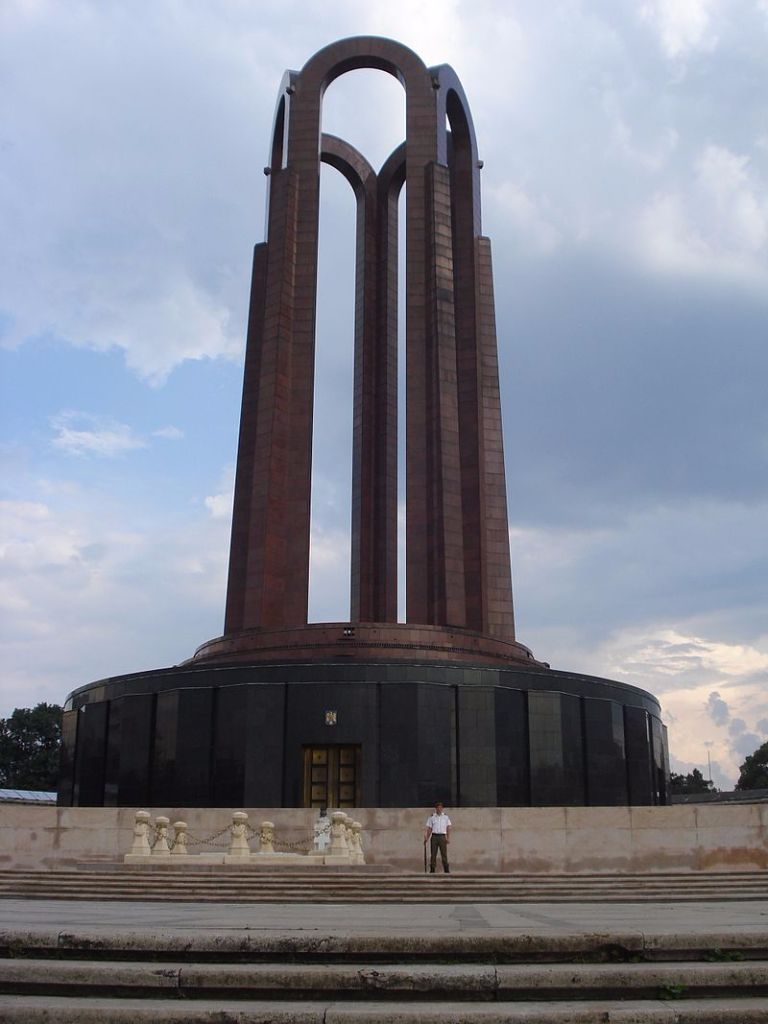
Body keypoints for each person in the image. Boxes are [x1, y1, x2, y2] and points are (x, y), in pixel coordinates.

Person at [424, 801, 451, 873]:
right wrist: (427, 837)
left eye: (440, 807)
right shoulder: (432, 817)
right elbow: (430, 828)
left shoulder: (445, 817)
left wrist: (448, 838)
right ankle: (432, 869)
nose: (439, 809)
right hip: (434, 836)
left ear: (442, 808)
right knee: (433, 854)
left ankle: (446, 869)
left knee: (444, 854)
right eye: (438, 808)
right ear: (436, 808)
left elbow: (448, 827)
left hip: (442, 836)